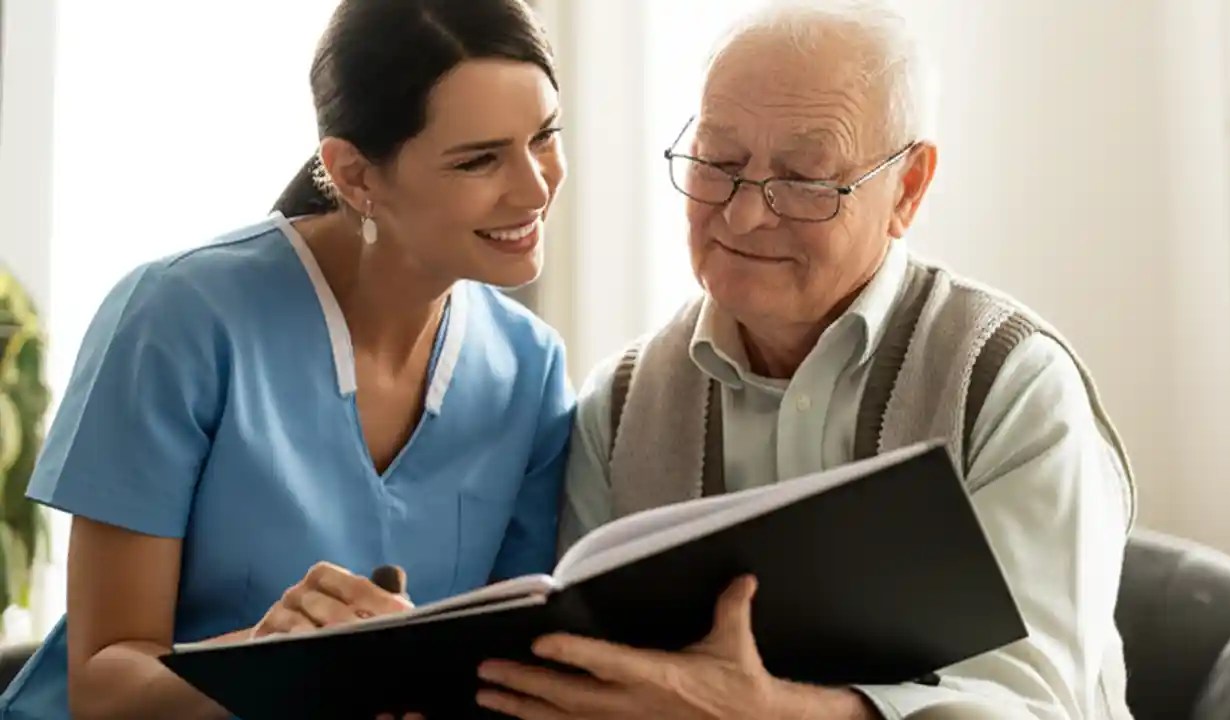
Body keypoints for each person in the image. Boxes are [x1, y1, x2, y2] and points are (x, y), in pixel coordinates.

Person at [476, 1, 1135, 719]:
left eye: (805, 178)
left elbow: (1036, 704)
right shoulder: (623, 403)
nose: (746, 214)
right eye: (718, 163)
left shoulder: (1008, 383)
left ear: (908, 188)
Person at [0, 1, 573, 718]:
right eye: (480, 159)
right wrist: (269, 668)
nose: (535, 186)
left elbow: (508, 673)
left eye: (545, 136)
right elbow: (103, 685)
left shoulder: (533, 372)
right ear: (356, 175)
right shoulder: (176, 319)